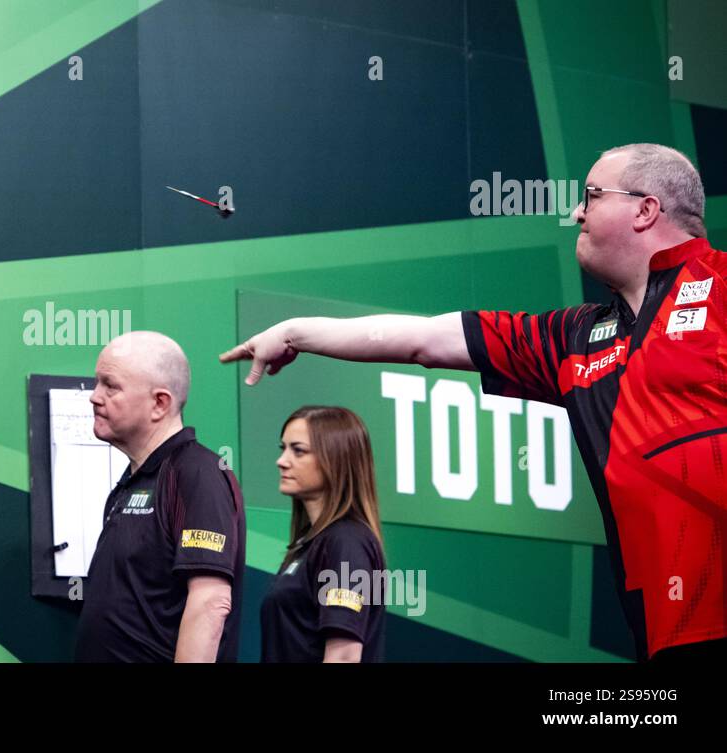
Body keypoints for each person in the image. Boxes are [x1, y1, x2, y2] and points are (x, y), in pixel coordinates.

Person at [222, 143, 726, 662]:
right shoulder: (576, 337)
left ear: (645, 210)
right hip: (664, 627)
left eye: (592, 195)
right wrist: (294, 331)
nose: (577, 211)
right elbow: (426, 340)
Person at [74, 331, 246, 662]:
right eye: (97, 383)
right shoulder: (132, 483)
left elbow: (210, 602)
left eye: (111, 386)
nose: (94, 396)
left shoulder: (197, 473)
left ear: (159, 403)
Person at [261, 406, 386, 663]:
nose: (281, 461)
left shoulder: (347, 542)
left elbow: (344, 656)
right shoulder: (312, 542)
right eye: (283, 448)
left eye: (298, 451)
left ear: (335, 459)